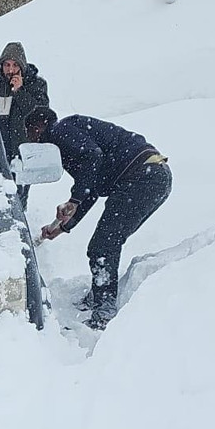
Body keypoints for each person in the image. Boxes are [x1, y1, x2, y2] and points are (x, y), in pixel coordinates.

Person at [26, 107, 172, 329]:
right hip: (152, 176)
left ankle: (104, 311)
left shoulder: (60, 131)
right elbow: (91, 187)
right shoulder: (70, 138)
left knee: (103, 245)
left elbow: (92, 157)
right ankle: (99, 296)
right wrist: (65, 226)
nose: (33, 142)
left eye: (31, 136)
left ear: (38, 128)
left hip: (141, 178)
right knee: (106, 242)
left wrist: (74, 201)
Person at [0, 42, 49, 207]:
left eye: (14, 65)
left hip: (23, 151)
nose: (10, 70)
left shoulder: (36, 84)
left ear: (22, 65)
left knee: (19, 197)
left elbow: (39, 114)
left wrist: (19, 91)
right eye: (7, 65)